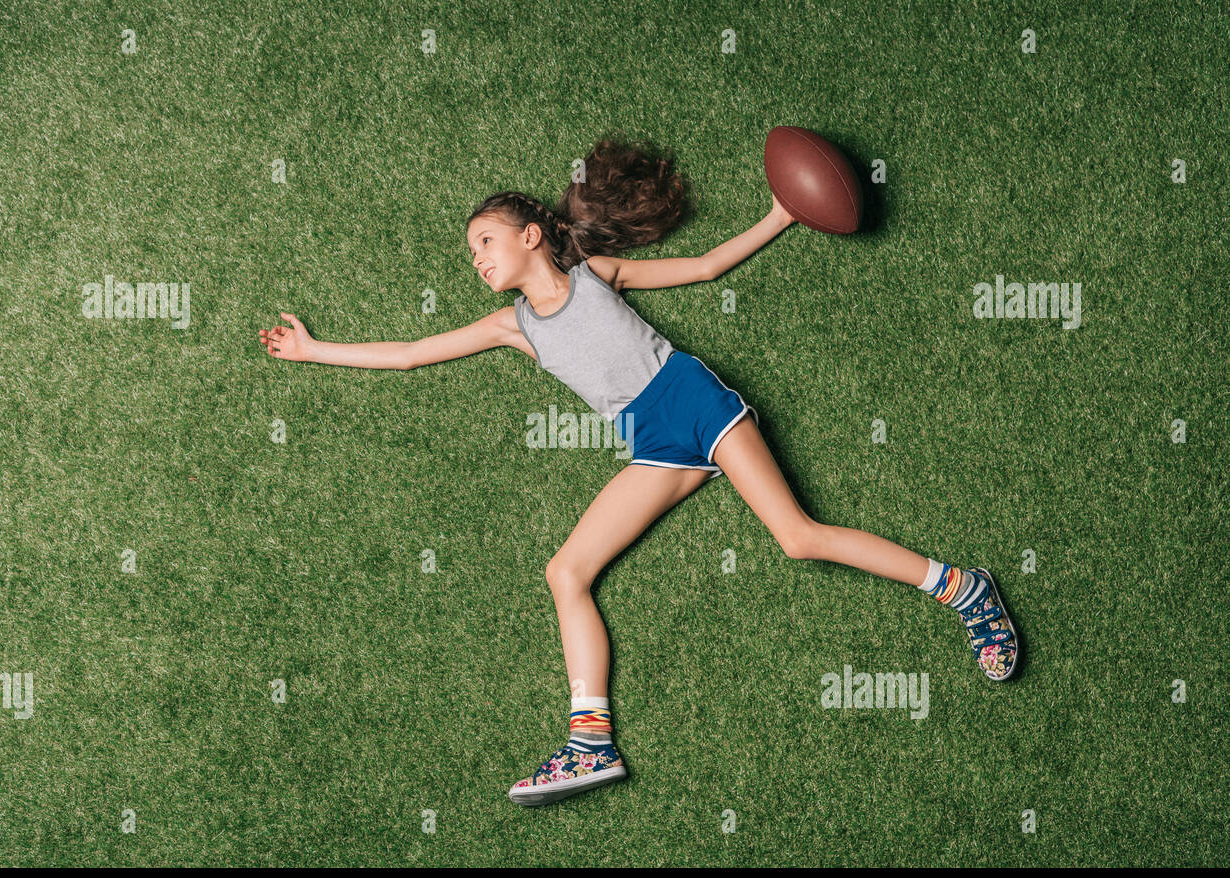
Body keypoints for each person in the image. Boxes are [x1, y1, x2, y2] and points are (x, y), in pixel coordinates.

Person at [258, 135, 1020, 808]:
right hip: (651, 441)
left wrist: (783, 212)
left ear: (530, 235)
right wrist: (314, 350)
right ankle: (590, 741)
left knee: (797, 537)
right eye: (472, 253)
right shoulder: (511, 328)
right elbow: (409, 353)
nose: (479, 258)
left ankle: (963, 586)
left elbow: (710, 265)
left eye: (487, 240)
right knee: (566, 571)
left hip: (694, 401)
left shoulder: (595, 273)